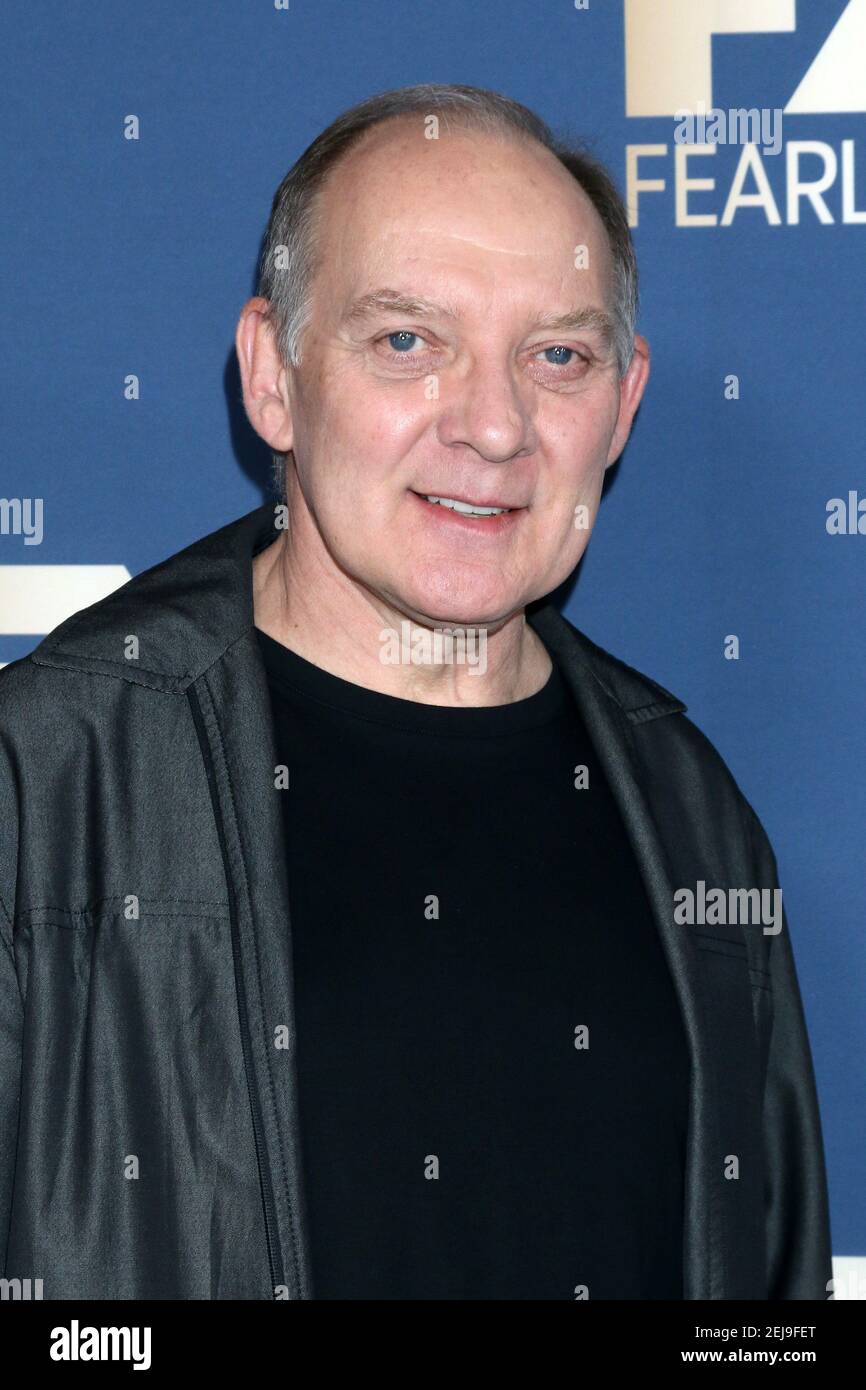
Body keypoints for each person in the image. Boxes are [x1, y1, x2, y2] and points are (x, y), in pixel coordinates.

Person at [0, 83, 832, 1300]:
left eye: (556, 356)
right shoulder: (48, 779)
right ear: (271, 377)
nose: (494, 427)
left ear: (624, 405)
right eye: (406, 341)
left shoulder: (690, 810)